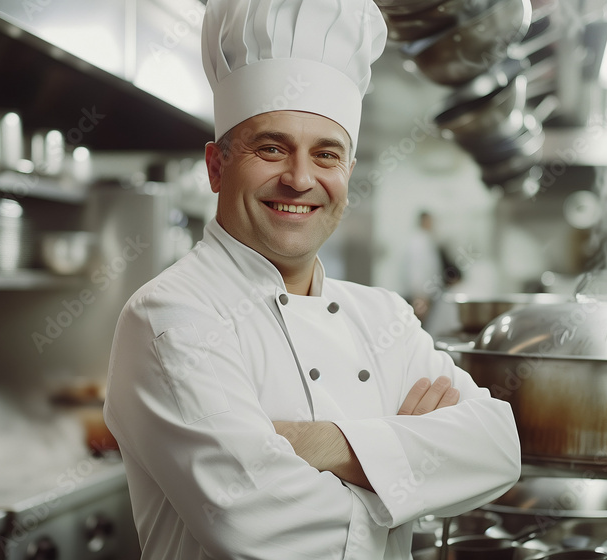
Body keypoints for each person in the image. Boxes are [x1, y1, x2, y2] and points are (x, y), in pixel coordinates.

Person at [103, 1, 521, 558]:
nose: (300, 179)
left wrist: (322, 443)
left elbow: (499, 447)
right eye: (271, 148)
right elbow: (263, 530)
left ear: (347, 172)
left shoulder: (384, 316)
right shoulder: (170, 317)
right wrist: (408, 477)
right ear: (216, 166)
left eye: (327, 155)